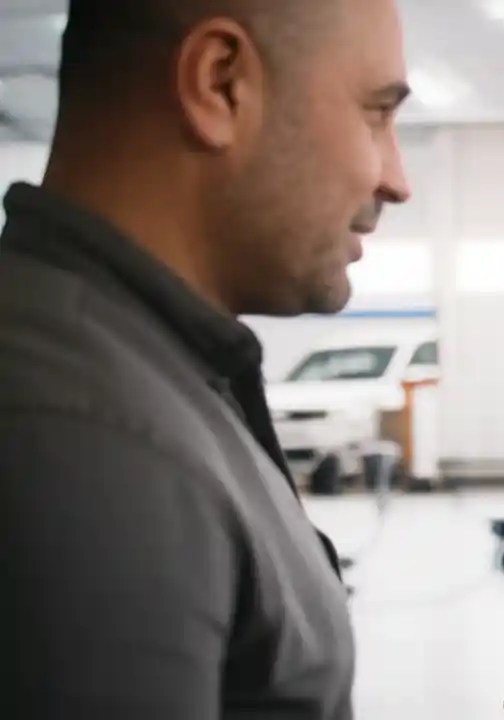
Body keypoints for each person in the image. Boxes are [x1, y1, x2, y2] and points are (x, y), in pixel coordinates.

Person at [0, 0, 411, 717]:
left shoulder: (150, 373)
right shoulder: (91, 440)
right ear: (220, 85)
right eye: (376, 114)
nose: (395, 180)